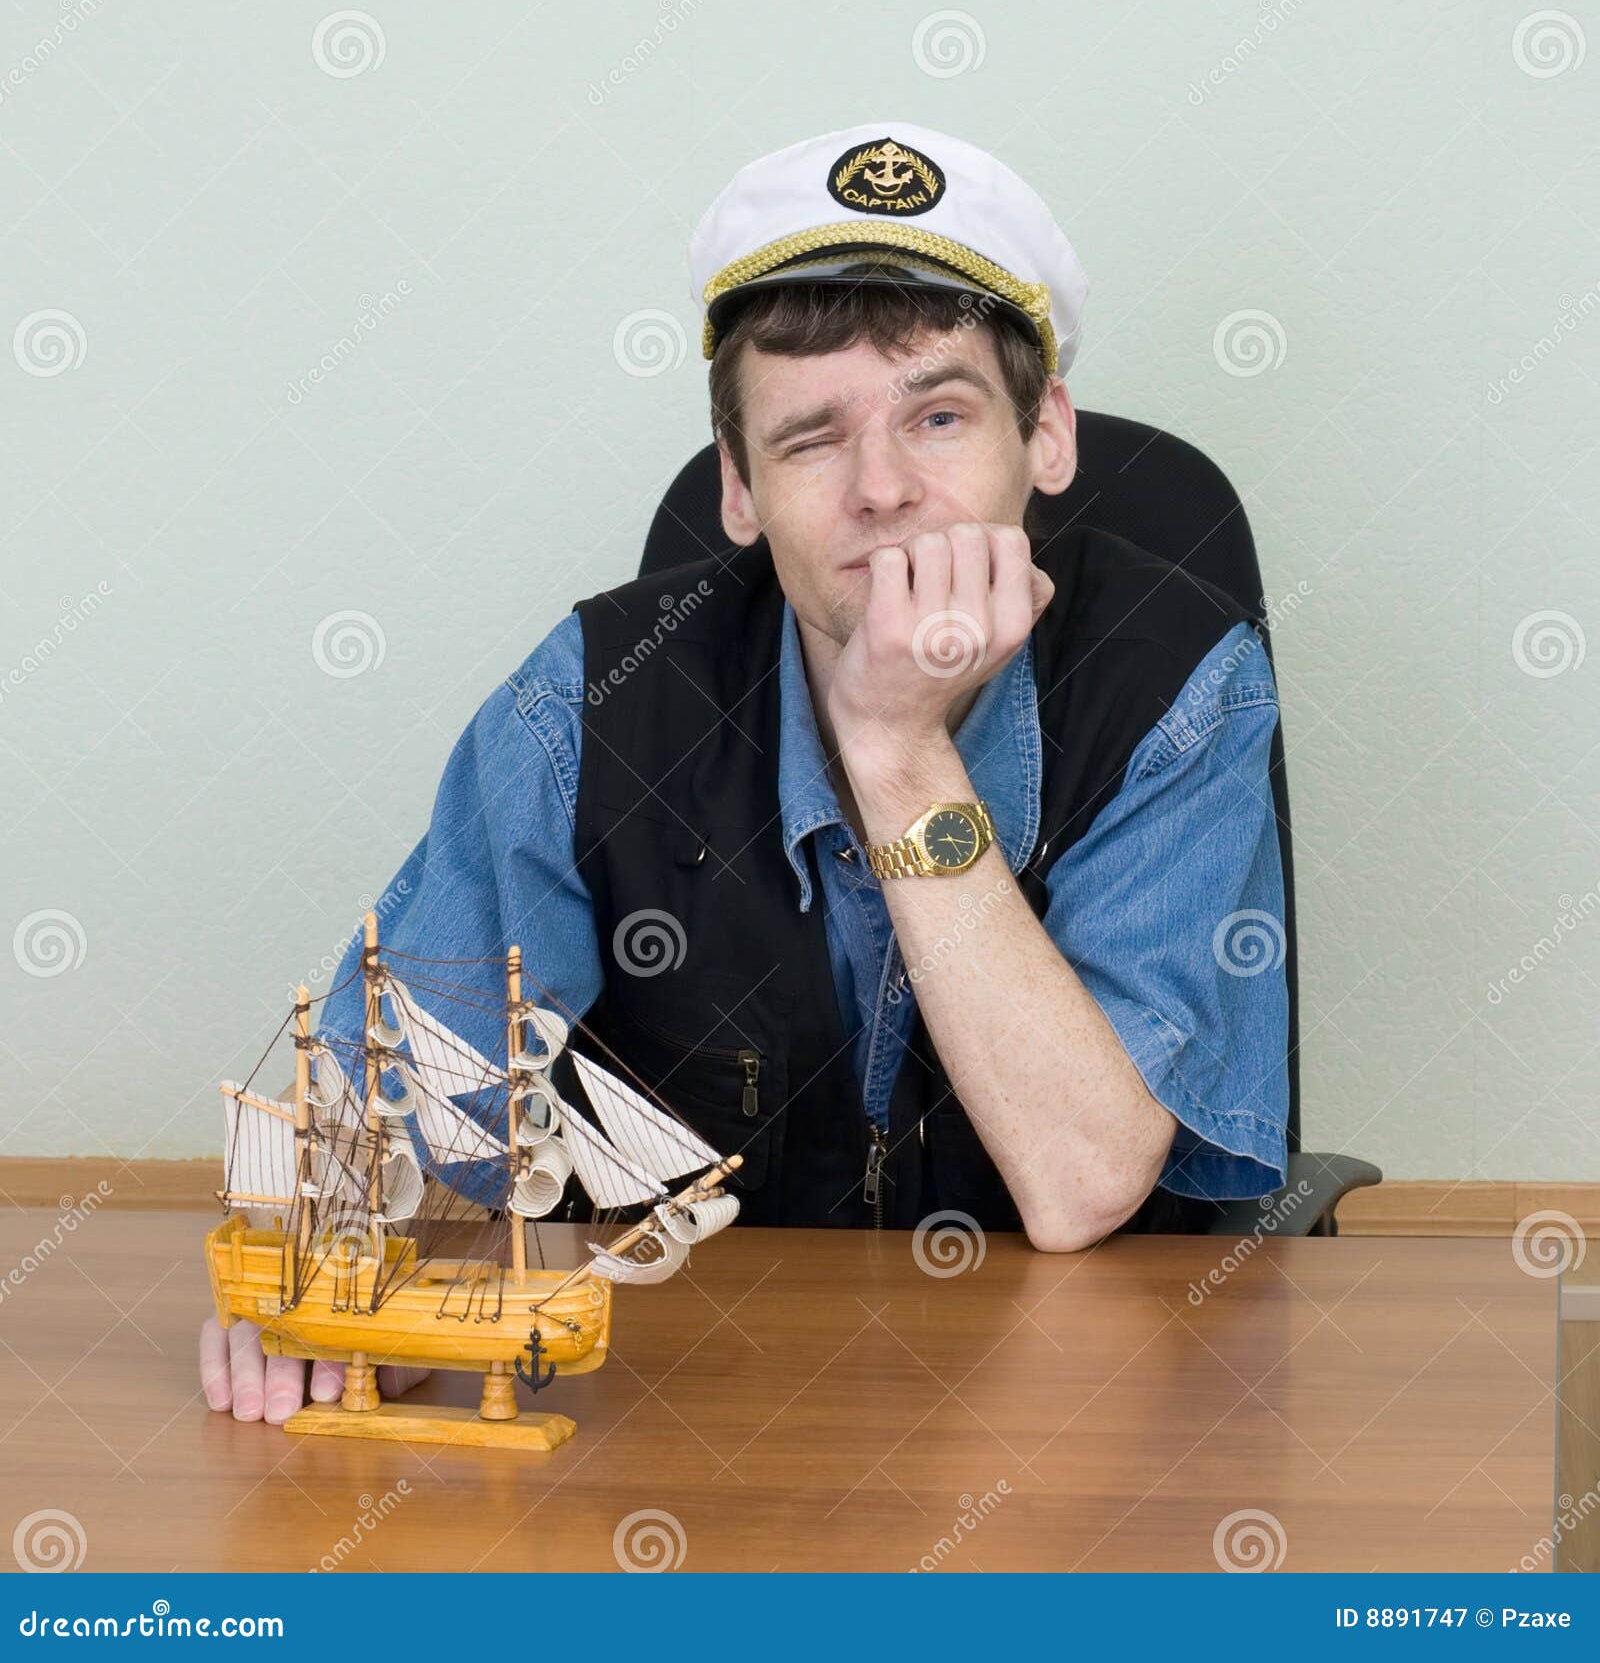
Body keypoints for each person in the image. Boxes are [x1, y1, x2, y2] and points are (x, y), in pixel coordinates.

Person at [202, 121, 1289, 1420]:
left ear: (1046, 433)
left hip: (1071, 1422)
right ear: (738, 485)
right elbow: (417, 1109)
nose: (883, 488)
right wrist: (333, 1295)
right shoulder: (591, 695)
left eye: (939, 415)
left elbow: (1081, 1183)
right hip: (695, 1416)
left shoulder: (1178, 681)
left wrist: (896, 745)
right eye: (812, 439)